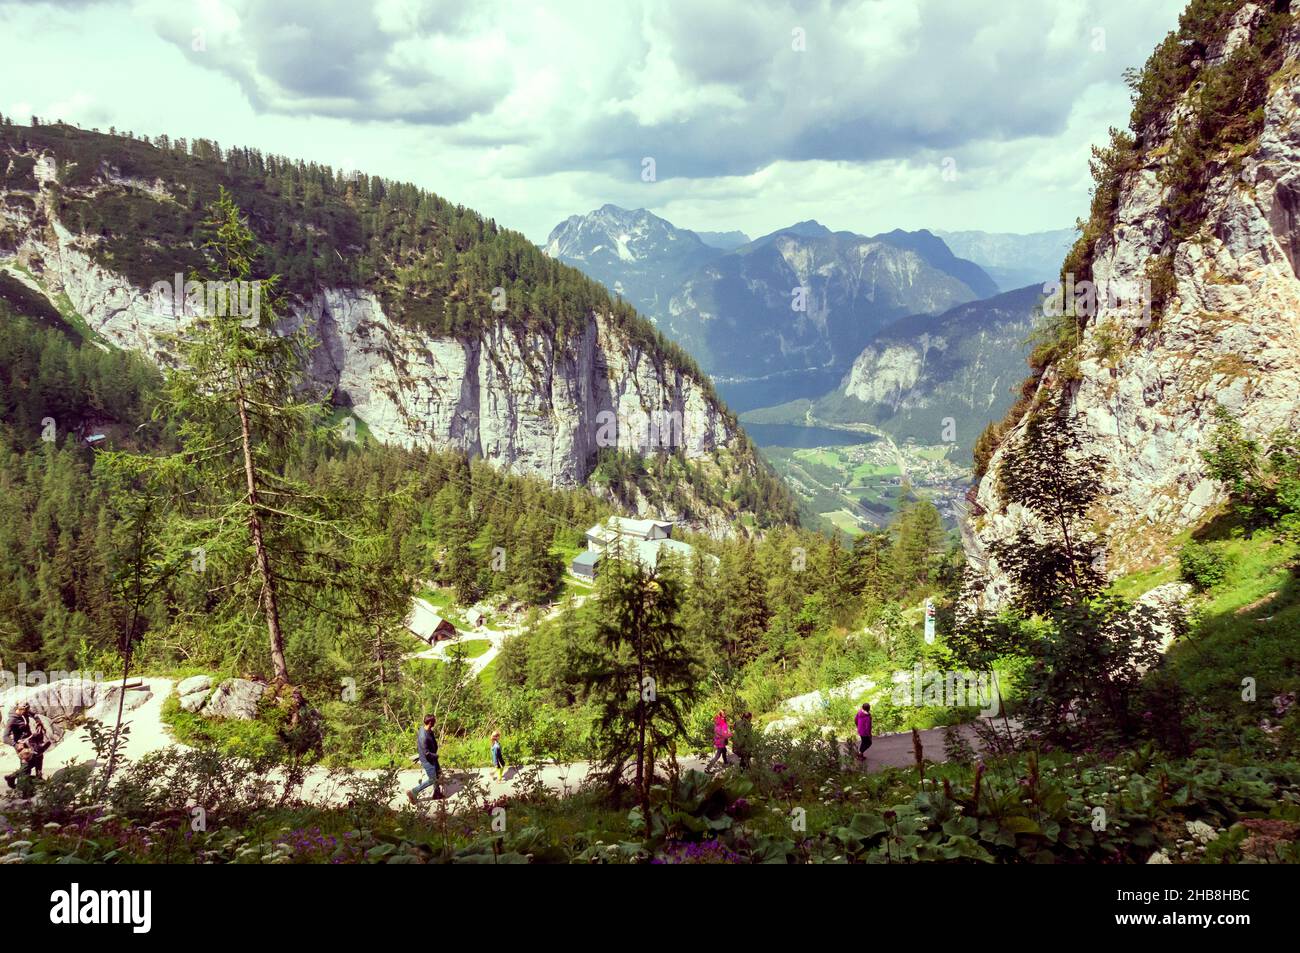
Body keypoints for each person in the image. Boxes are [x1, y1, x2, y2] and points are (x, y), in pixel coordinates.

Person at [406, 714, 444, 803]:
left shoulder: (427, 730)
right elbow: (426, 753)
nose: (435, 723)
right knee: (433, 779)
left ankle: (437, 793)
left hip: (432, 757)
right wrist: (436, 756)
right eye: (434, 721)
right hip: (428, 760)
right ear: (430, 722)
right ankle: (414, 791)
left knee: (438, 774)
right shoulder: (423, 736)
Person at [3, 702, 35, 790]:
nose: (27, 713)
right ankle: (23, 792)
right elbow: (5, 737)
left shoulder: (25, 712)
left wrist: (38, 720)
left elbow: (33, 714)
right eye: (25, 711)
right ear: (21, 709)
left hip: (28, 743)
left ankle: (13, 778)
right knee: (26, 767)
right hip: (21, 746)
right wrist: (15, 745)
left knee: (30, 764)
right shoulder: (12, 720)